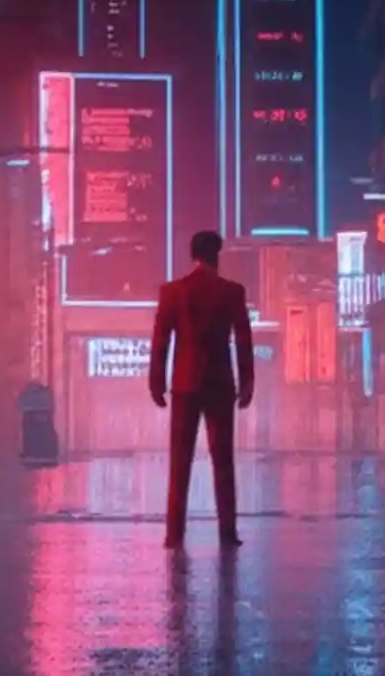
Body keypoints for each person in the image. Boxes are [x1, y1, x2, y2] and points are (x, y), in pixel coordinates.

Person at [149, 230, 254, 549]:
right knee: (223, 462)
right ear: (216, 255)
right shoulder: (232, 292)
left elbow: (161, 340)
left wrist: (157, 381)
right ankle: (228, 532)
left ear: (192, 254)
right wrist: (247, 382)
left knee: (179, 462)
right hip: (220, 384)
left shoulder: (173, 292)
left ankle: (174, 533)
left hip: (185, 384)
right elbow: (243, 341)